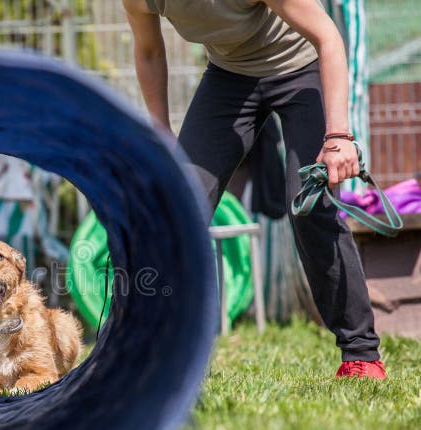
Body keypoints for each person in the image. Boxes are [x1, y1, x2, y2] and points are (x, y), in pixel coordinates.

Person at [123, 0, 386, 379]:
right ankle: (156, 350)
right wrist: (161, 132)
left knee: (310, 208)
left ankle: (361, 353)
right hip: (229, 76)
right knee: (177, 210)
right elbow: (148, 50)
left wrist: (339, 137)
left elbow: (328, 37)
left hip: (302, 67)